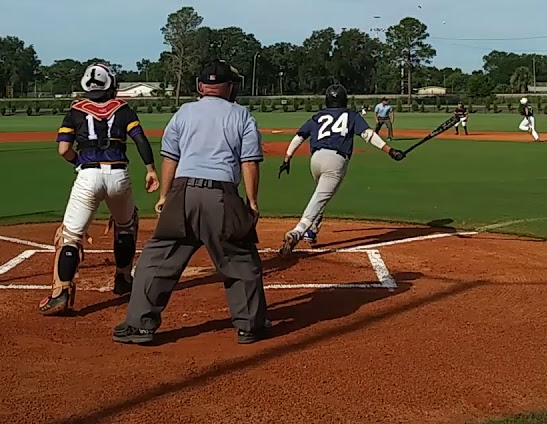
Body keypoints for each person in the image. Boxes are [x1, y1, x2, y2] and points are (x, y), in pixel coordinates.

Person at [113, 60, 269, 346]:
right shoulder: (242, 115)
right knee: (239, 257)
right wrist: (252, 201)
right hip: (221, 196)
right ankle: (250, 326)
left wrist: (164, 196)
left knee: (157, 257)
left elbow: (170, 156)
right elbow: (249, 163)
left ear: (200, 86)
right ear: (230, 87)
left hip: (183, 193)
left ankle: (139, 325)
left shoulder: (183, 112)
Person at [39, 63, 159, 315]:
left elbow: (63, 150)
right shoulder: (123, 109)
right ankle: (124, 279)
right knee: (126, 225)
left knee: (70, 236)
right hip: (118, 175)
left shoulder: (75, 110)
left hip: (88, 175)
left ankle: (60, 294)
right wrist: (150, 170)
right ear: (111, 86)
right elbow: (140, 140)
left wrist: (79, 162)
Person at [277, 84, 404, 253]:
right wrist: (390, 151)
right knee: (321, 197)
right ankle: (298, 231)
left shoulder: (318, 116)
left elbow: (299, 137)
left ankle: (312, 231)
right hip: (335, 161)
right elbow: (368, 135)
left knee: (321, 194)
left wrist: (287, 158)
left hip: (315, 160)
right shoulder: (351, 115)